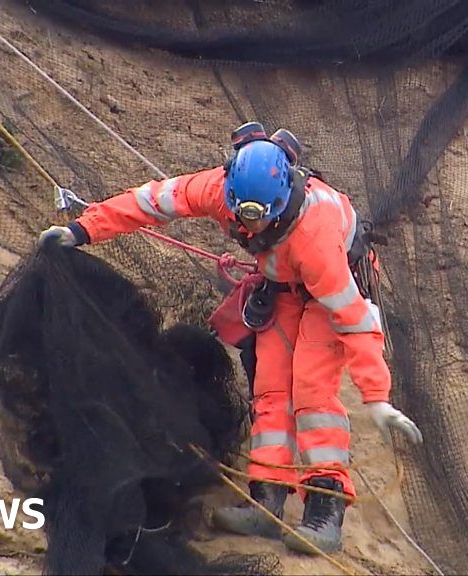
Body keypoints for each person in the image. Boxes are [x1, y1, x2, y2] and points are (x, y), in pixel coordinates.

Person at [38, 122, 423, 554]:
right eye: (242, 216)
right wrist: (83, 229)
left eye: (258, 220)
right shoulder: (220, 189)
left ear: (279, 207)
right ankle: (267, 501)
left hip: (325, 291)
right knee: (272, 386)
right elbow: (154, 200)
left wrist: (377, 397)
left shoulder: (316, 239)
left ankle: (325, 511)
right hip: (283, 284)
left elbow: (353, 319)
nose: (248, 228)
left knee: (313, 391)